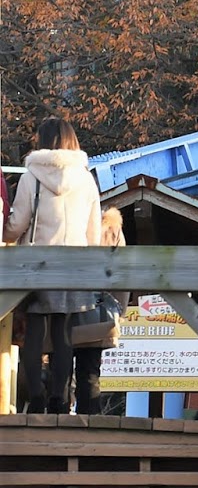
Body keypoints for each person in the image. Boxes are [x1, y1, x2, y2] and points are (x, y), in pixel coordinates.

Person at [3, 116, 102, 414]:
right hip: (74, 265)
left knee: (35, 331)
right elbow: (93, 230)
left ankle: (36, 398)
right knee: (63, 333)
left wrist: (6, 234)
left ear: (42, 142)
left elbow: (17, 223)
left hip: (36, 264)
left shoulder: (32, 176)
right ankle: (59, 400)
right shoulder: (85, 178)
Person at [71, 206, 126, 415]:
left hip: (61, 302)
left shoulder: (69, 219)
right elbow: (122, 271)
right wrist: (120, 310)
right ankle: (89, 419)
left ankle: (58, 412)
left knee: (60, 363)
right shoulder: (112, 228)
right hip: (97, 309)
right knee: (90, 370)